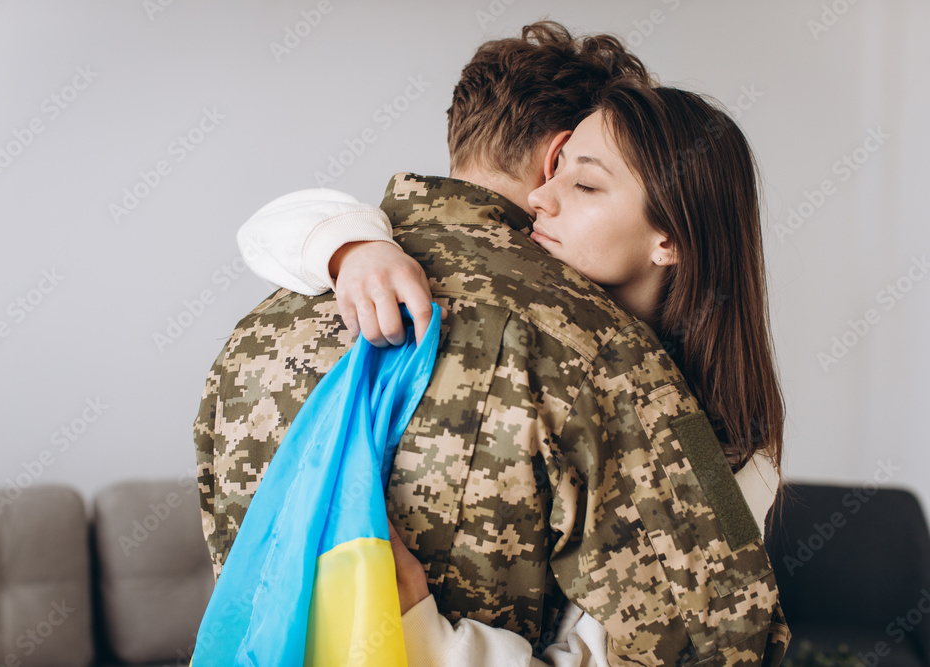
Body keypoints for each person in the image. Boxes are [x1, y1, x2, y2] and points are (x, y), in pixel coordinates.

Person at [195, 22, 790, 666]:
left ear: (668, 238)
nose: (541, 197)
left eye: (584, 182)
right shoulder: (586, 350)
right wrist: (350, 246)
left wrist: (428, 638)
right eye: (559, 171)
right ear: (552, 151)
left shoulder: (261, 327)